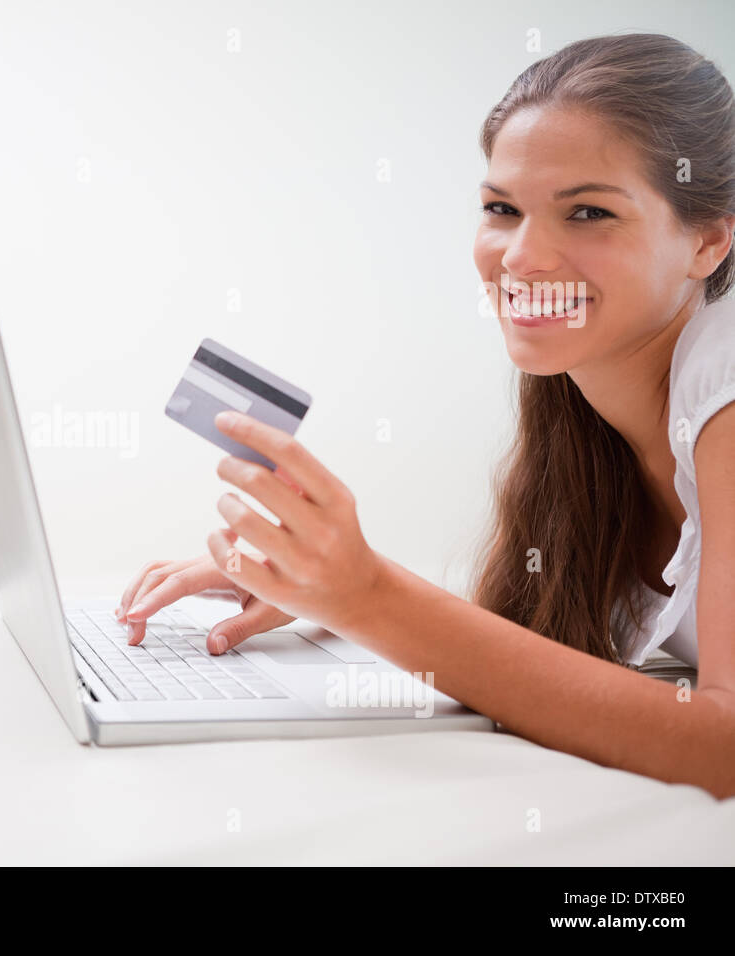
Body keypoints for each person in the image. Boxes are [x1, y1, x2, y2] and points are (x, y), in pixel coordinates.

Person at [115, 33, 735, 797]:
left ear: (709, 241)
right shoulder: (586, 412)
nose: (522, 257)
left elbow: (724, 750)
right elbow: (546, 666)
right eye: (502, 209)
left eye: (587, 212)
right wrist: (328, 594)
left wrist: (368, 596)